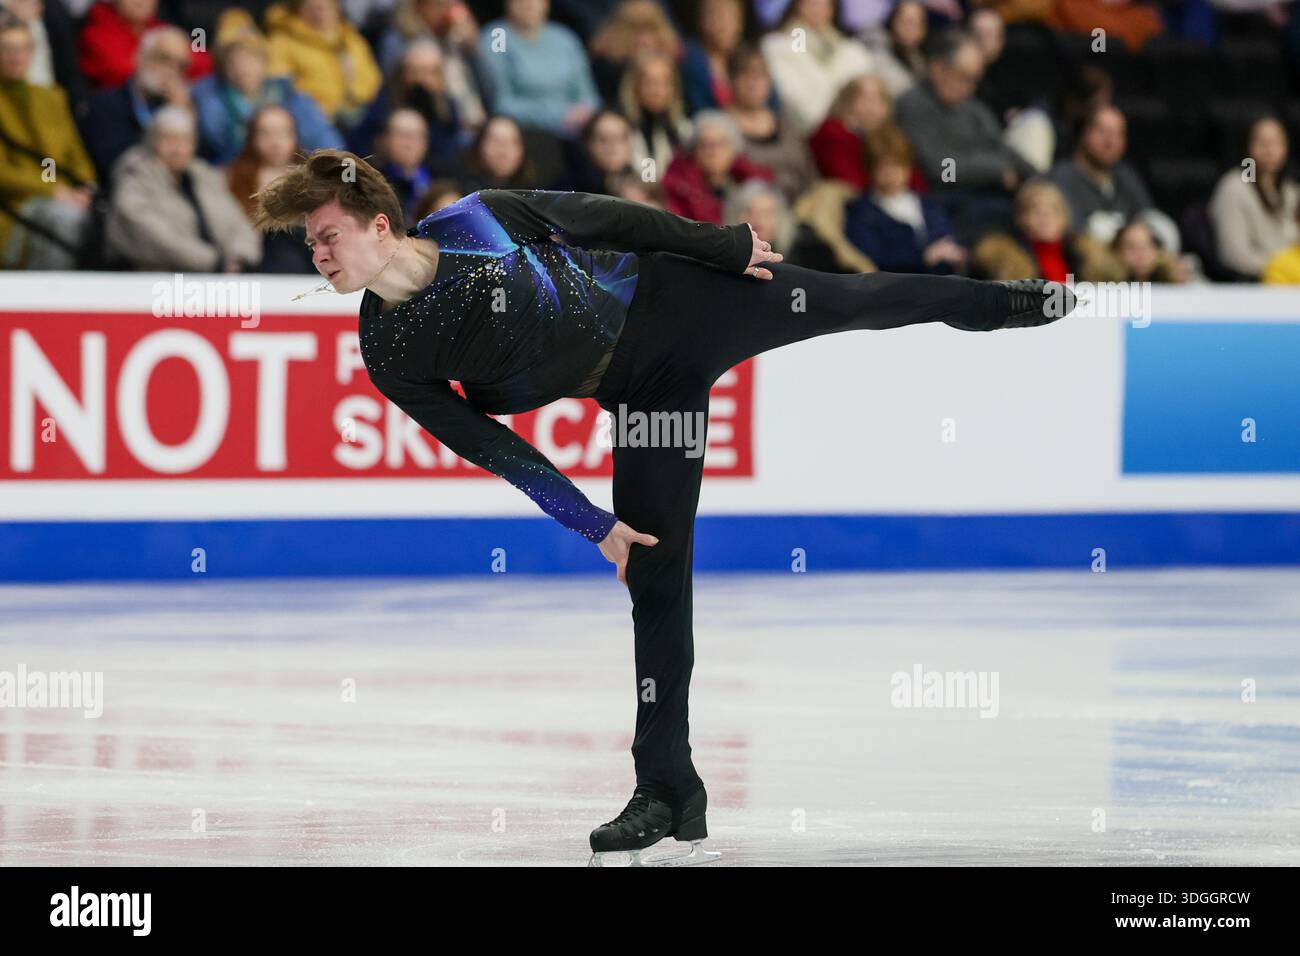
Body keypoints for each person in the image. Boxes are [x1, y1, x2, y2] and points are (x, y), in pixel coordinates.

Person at [249, 149, 1075, 866]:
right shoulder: (388, 348)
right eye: (310, 243)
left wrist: (722, 245)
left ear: (380, 225)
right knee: (653, 572)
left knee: (845, 301)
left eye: (327, 235)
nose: (318, 254)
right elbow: (493, 447)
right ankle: (668, 788)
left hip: (683, 300)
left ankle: (995, 302)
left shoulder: (478, 219)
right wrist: (593, 523)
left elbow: (613, 217)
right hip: (644, 393)